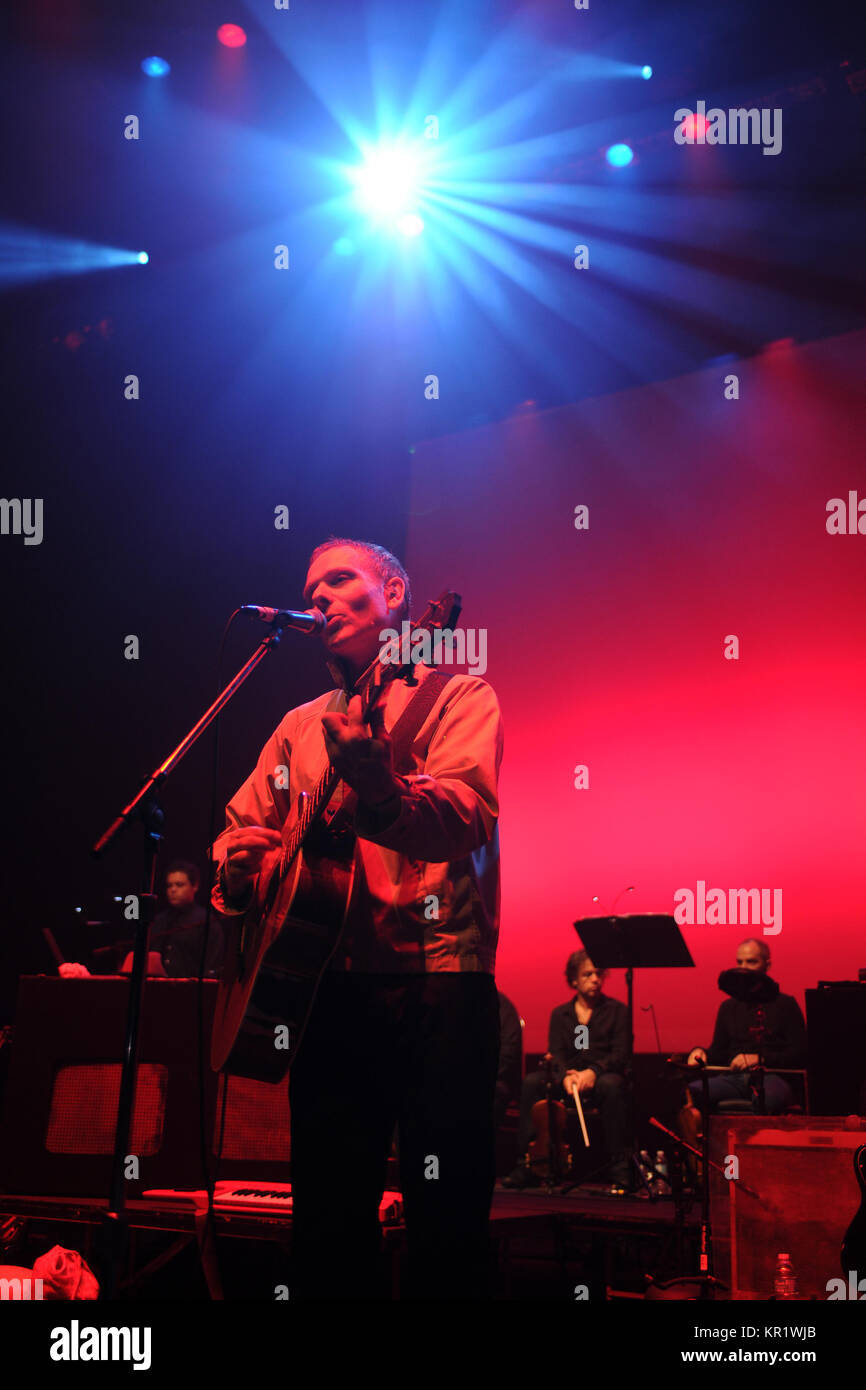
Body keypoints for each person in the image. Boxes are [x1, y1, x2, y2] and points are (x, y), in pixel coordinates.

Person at [211, 538, 504, 1300]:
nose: (322, 600)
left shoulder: (459, 697)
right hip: (326, 992)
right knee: (327, 1231)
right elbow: (244, 825)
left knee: (447, 1226)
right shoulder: (298, 725)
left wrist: (379, 786)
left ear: (398, 594)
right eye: (312, 589)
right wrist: (240, 868)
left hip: (437, 985)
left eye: (341, 581)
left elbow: (463, 818)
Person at [501, 950, 631, 1192]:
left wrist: (592, 1072)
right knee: (531, 1083)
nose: (595, 979)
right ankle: (527, 1164)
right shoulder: (560, 1014)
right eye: (588, 974)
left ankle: (620, 1168)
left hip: (601, 1076)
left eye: (598, 974)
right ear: (574, 980)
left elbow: (620, 1054)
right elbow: (556, 1052)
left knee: (612, 1086)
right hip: (569, 1077)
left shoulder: (617, 1011)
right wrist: (566, 1077)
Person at [680, 938, 807, 1139]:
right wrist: (701, 1052)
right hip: (735, 1079)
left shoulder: (785, 1005)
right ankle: (707, 1158)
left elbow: (800, 1052)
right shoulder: (729, 1007)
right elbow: (719, 1052)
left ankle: (755, 1156)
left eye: (751, 962)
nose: (743, 968)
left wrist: (760, 1059)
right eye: (739, 962)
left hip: (774, 1077)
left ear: (767, 965)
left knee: (767, 1099)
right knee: (692, 1091)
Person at [59, 860, 224, 978]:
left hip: (187, 995)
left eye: (179, 885)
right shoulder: (158, 920)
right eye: (169, 885)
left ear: (195, 886)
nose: (173, 890)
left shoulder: (207, 922)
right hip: (155, 993)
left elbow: (212, 968)